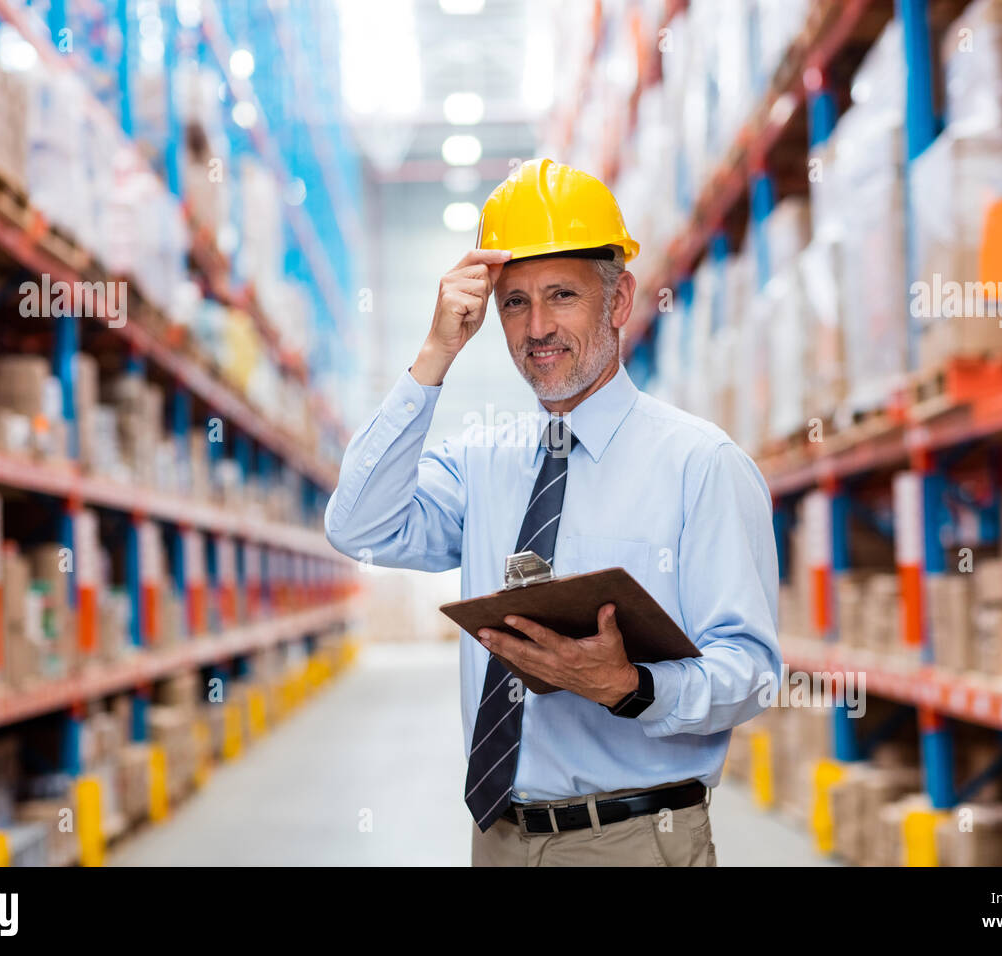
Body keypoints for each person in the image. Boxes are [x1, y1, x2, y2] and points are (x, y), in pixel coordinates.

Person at [325, 158, 781, 866]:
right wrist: (434, 356)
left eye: (562, 295)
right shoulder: (483, 462)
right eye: (514, 302)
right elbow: (357, 525)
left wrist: (633, 687)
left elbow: (752, 670)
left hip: (632, 841)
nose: (537, 327)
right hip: (497, 839)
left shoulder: (701, 465)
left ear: (620, 299)